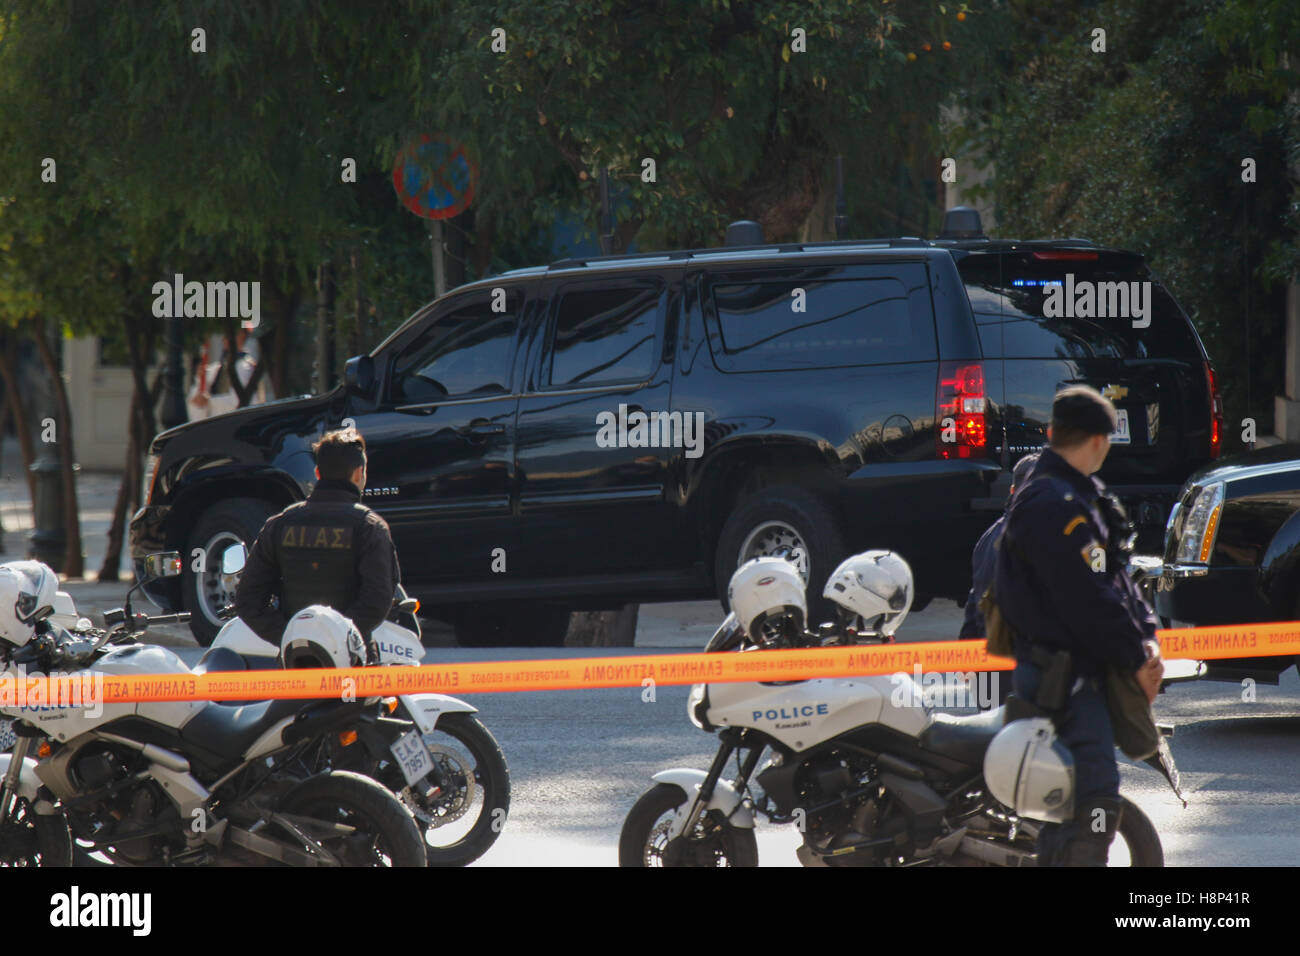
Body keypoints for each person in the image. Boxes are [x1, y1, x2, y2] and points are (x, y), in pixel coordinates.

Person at [993, 385, 1164, 866]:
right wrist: (1135, 657)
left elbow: (1113, 578)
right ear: (1099, 441)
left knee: (1071, 804)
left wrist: (1145, 639)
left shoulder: (1075, 496)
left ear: (1053, 434)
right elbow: (1086, 598)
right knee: (1090, 801)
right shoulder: (1056, 504)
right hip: (1061, 682)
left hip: (1073, 676)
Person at [234, 427, 399, 657]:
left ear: (318, 473)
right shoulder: (370, 527)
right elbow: (378, 601)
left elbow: (248, 600)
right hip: (354, 667)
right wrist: (339, 639)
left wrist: (293, 637)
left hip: (296, 663)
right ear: (358, 474)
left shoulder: (279, 525)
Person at [959, 450, 1041, 641]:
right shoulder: (1039, 538)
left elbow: (974, 606)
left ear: (1012, 490)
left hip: (989, 656)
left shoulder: (987, 538)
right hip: (1018, 658)